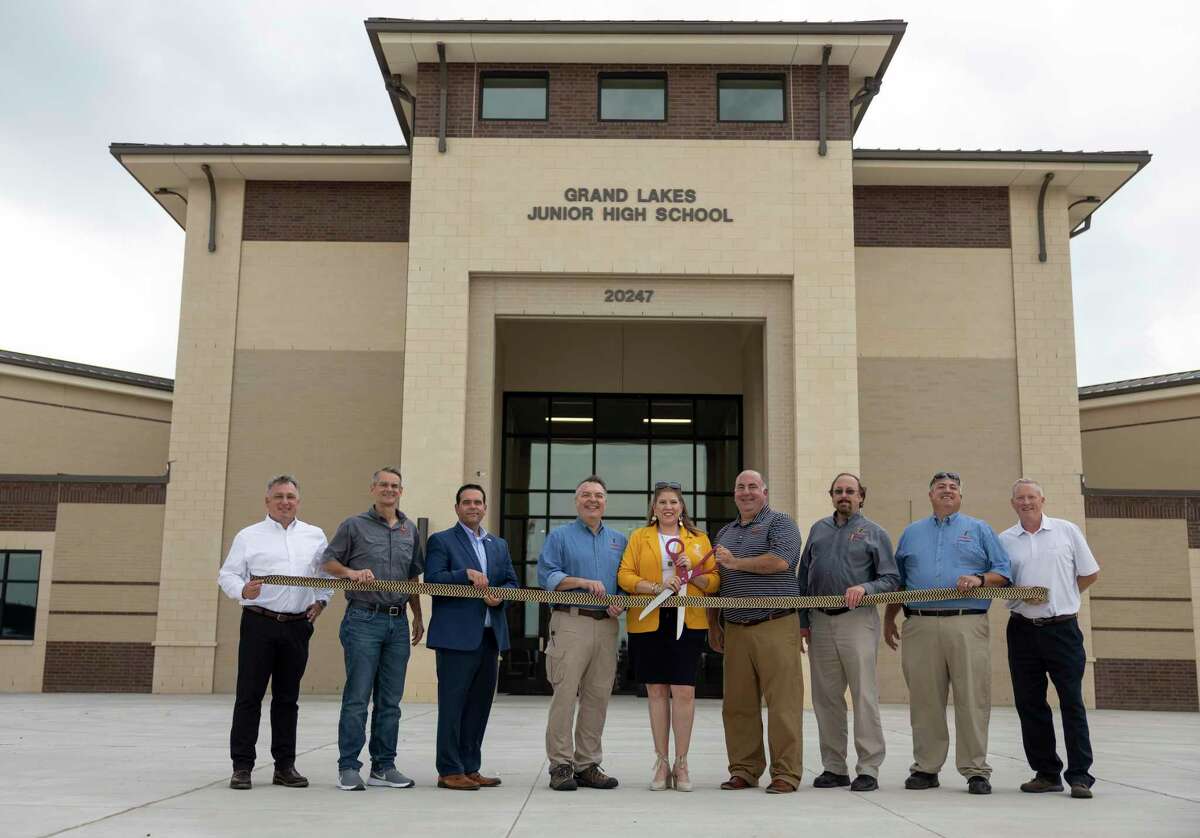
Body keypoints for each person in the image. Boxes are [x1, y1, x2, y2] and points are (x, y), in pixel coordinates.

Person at [884, 471, 1011, 795]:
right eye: (940, 487)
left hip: (966, 622)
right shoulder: (912, 533)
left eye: (953, 487)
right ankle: (926, 768)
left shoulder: (979, 529)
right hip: (920, 624)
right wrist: (889, 620)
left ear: (960, 496)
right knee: (925, 701)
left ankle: (976, 770)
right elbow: (900, 582)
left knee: (972, 698)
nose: (947, 491)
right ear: (930, 495)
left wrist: (980, 580)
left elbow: (1003, 573)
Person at [217, 474, 331, 790]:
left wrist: (321, 601)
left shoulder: (314, 535)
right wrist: (242, 590)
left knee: (287, 699)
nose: (285, 502)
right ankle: (242, 767)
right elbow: (227, 574)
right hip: (259, 623)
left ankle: (284, 766)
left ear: (298, 501)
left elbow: (324, 574)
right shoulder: (248, 536)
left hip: (297, 627)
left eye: (290, 496)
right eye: (278, 496)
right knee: (249, 697)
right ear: (267, 501)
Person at [322, 466, 425, 791]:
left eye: (394, 485)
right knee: (357, 697)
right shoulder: (354, 525)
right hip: (363, 620)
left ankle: (383, 766)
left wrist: (418, 616)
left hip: (397, 622)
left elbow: (413, 577)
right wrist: (350, 573)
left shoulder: (410, 529)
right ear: (373, 489)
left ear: (401, 491)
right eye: (383, 485)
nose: (389, 490)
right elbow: (328, 562)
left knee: (391, 701)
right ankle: (349, 766)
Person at [798, 472, 899, 792]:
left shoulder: (874, 532)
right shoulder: (818, 530)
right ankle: (834, 767)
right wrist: (803, 621)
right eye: (838, 491)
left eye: (850, 491)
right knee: (825, 699)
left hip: (857, 620)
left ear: (861, 497)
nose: (844, 495)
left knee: (863, 695)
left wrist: (865, 587)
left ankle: (868, 767)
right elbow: (803, 578)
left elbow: (891, 578)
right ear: (831, 496)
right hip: (820, 622)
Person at [1000, 478, 1100, 799]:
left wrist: (1063, 596)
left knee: (1071, 701)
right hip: (1022, 631)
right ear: (1013, 503)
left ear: (1043, 499)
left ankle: (1080, 775)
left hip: (1062, 629)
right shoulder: (1004, 540)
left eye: (1031, 497)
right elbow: (999, 583)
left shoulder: (1066, 531)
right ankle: (1046, 773)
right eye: (1020, 498)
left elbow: (1089, 573)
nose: (1026, 502)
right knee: (1030, 704)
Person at [617, 481, 719, 792]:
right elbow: (624, 575)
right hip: (649, 620)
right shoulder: (639, 537)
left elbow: (714, 582)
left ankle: (682, 763)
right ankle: (661, 762)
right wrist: (655, 587)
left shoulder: (699, 540)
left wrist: (694, 573)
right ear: (654, 508)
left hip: (687, 620)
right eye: (662, 502)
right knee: (657, 691)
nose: (668, 507)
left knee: (684, 691)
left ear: (682, 507)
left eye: (673, 502)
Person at [707, 469, 805, 794]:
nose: (746, 492)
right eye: (740, 487)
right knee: (737, 705)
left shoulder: (780, 523)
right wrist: (713, 623)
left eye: (753, 487)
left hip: (775, 623)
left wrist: (736, 563)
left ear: (764, 491)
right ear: (734, 494)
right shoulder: (725, 533)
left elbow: (780, 562)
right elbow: (716, 583)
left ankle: (786, 774)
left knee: (783, 704)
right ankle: (744, 770)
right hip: (735, 627)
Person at [425, 483, 519, 791]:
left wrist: (499, 597)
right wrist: (463, 575)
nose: (473, 507)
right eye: (467, 502)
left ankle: (470, 766)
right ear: (457, 508)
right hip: (456, 639)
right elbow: (433, 581)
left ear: (485, 507)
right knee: (453, 706)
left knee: (479, 706)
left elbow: (511, 583)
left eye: (478, 502)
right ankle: (449, 770)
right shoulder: (441, 541)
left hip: (490, 636)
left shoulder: (498, 545)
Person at [536, 475, 628, 791]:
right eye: (586, 495)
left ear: (605, 502)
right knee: (564, 696)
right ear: (577, 501)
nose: (592, 500)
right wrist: (581, 582)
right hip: (570, 623)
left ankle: (587, 764)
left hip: (606, 627)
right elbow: (546, 575)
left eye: (598, 495)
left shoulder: (618, 540)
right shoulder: (560, 536)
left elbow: (624, 583)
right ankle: (561, 765)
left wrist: (621, 604)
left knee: (597, 697)